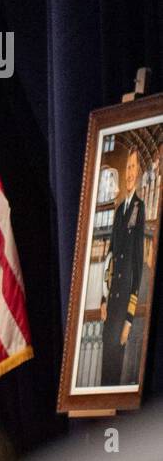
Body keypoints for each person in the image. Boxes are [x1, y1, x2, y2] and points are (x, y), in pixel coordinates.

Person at [100, 147, 146, 386]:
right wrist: (103, 299)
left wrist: (129, 319)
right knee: (103, 369)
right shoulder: (119, 212)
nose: (129, 172)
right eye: (127, 167)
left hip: (123, 310)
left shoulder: (140, 209)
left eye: (133, 167)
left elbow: (137, 267)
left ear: (138, 171)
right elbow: (109, 256)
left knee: (114, 373)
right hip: (110, 306)